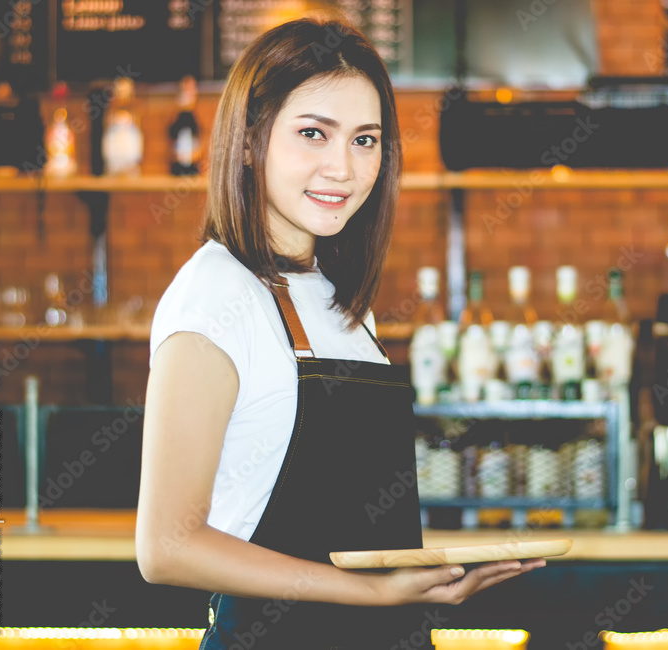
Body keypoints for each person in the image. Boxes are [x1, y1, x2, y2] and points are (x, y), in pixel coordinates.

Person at [135, 16, 545, 650]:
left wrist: (414, 575)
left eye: (365, 140)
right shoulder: (216, 297)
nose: (344, 169)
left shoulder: (331, 294)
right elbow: (166, 547)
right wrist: (370, 592)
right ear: (248, 141)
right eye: (312, 134)